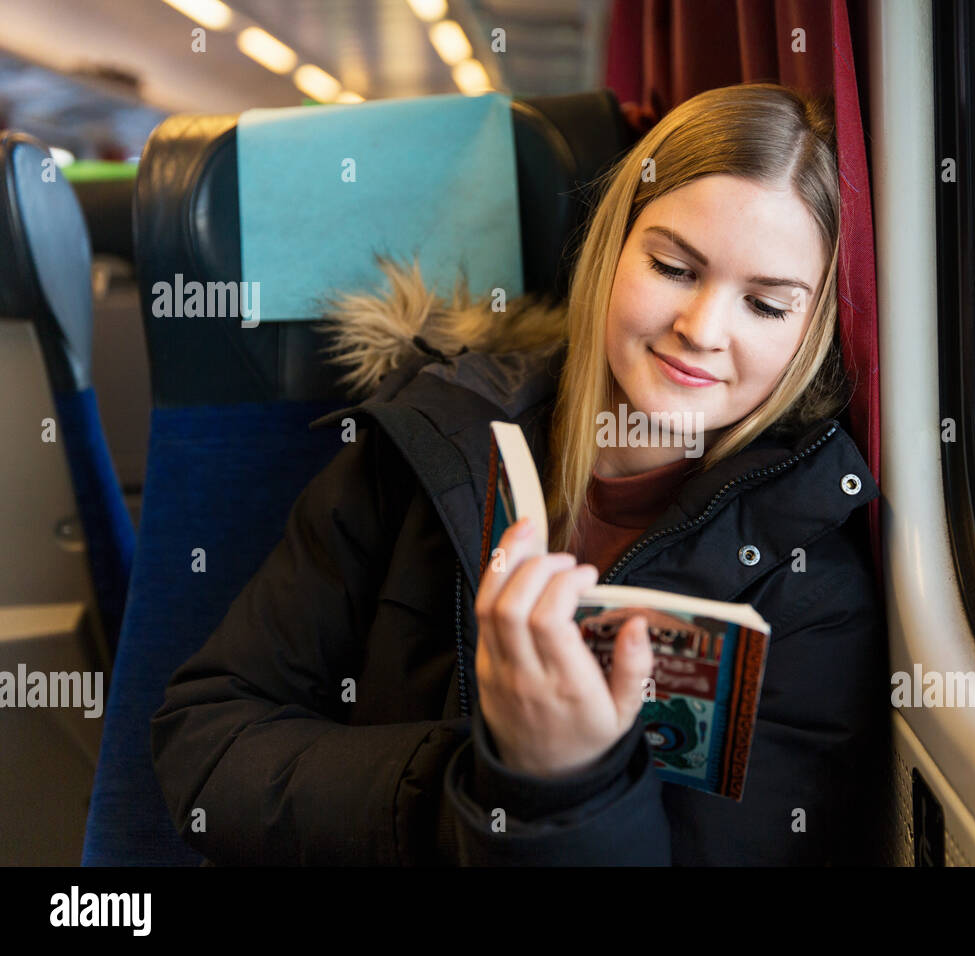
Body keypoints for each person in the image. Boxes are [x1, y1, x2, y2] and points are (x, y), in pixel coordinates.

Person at [151, 81, 888, 866]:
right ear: (613, 247)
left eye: (767, 307)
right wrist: (478, 782)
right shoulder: (427, 441)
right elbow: (207, 738)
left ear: (811, 332)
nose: (701, 329)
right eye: (673, 267)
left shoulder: (810, 590)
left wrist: (563, 787)